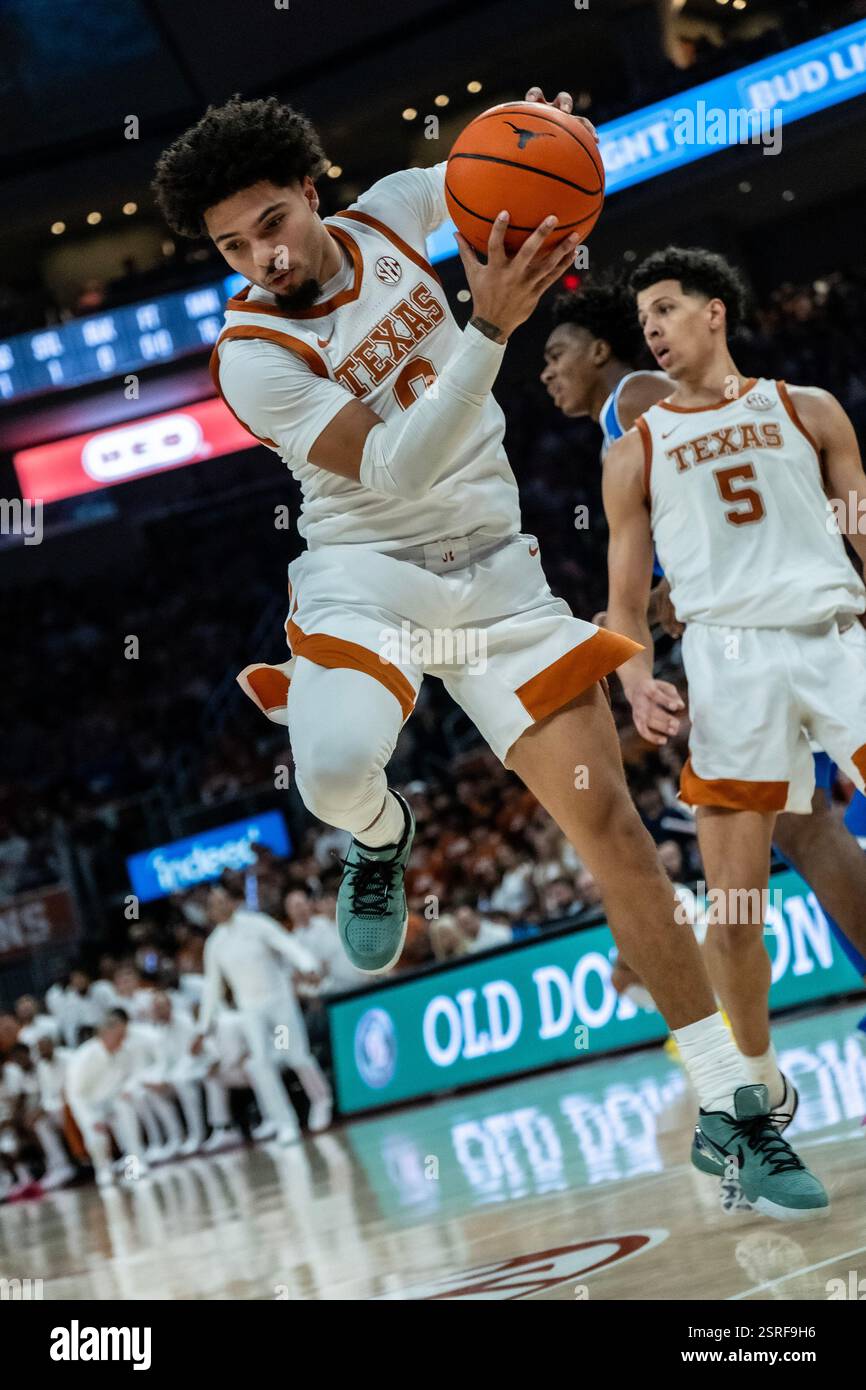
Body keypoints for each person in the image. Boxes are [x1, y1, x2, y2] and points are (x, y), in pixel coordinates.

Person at [151, 92, 827, 1217]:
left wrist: (542, 138)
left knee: (609, 828)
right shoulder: (250, 356)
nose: (262, 255)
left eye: (272, 220)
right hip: (369, 576)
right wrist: (487, 328)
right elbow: (400, 469)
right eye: (233, 245)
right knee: (326, 770)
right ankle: (380, 835)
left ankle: (731, 1108)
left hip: (498, 580)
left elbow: (504, 181)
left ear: (314, 190)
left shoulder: (402, 213)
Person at [603, 247, 866, 1178]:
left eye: (669, 310)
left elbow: (862, 533)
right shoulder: (631, 453)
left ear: (717, 312)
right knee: (739, 907)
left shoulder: (812, 409)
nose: (656, 329)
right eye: (646, 322)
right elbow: (625, 610)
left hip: (837, 637)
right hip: (727, 666)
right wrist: (636, 681)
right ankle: (757, 1093)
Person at [543, 276, 866, 985]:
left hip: (787, 623)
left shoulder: (634, 398)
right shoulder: (621, 425)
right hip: (755, 630)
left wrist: (678, 588)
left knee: (804, 827)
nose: (547, 374)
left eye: (558, 354)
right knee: (803, 826)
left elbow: (731, 457)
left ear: (599, 350)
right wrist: (660, 592)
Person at [196, 877, 332, 1142]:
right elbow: (212, 985)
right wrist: (204, 1025)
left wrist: (308, 966)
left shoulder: (256, 924)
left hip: (278, 999)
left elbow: (287, 945)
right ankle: (284, 1123)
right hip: (250, 1009)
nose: (220, 907)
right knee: (260, 1064)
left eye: (223, 901)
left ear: (232, 902)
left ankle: (321, 1101)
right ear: (210, 912)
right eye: (214, 905)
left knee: (297, 1057)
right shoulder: (214, 944)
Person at [64, 1010, 148, 1187]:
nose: (123, 1038)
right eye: (119, 1035)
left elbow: (135, 1074)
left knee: (127, 1115)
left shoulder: (125, 1050)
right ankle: (104, 1170)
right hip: (88, 1105)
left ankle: (134, 1166)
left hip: (114, 1100)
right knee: (96, 1139)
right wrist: (90, 1119)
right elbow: (75, 1094)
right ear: (106, 1033)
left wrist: (128, 1088)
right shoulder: (83, 1058)